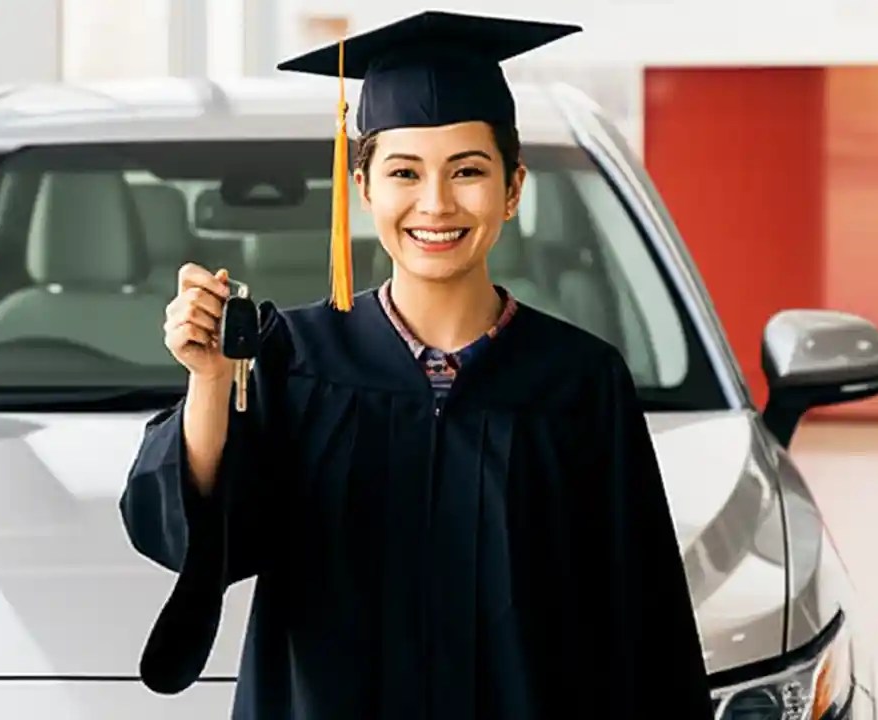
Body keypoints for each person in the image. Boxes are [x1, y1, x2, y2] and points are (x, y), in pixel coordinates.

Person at [119, 10, 714, 719]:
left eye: (468, 171)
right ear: (363, 187)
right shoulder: (294, 360)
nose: (436, 203)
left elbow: (642, 620)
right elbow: (196, 539)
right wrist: (211, 382)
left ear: (514, 188)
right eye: (405, 172)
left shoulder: (577, 382)